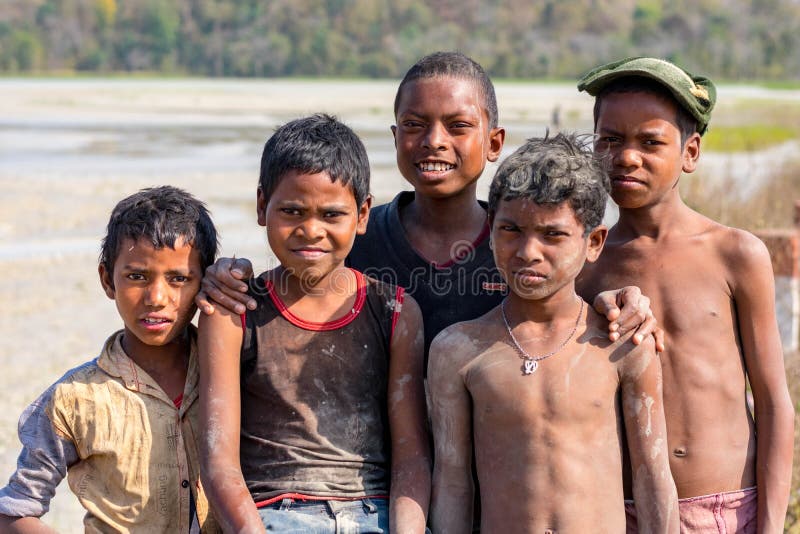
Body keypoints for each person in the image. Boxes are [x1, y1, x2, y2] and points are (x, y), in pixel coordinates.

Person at [196, 51, 660, 367]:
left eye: (458, 126)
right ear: (396, 139)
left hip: (491, 477)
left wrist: (617, 301)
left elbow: (577, 303)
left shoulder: (522, 241)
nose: (434, 141)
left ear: (494, 142)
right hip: (378, 477)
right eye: (415, 125)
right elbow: (292, 283)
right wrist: (228, 276)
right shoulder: (356, 236)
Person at [576, 57, 794, 533]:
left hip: (729, 510)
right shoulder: (584, 264)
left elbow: (774, 401)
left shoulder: (735, 254)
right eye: (609, 140)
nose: (626, 157)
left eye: (651, 141)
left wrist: (772, 524)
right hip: (623, 511)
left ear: (690, 152)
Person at [429, 133, 678, 533]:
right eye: (511, 230)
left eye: (552, 235)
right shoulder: (458, 350)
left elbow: (652, 476)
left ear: (594, 241)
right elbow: (453, 482)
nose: (528, 251)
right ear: (491, 230)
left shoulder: (621, 344)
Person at [197, 114, 430, 533]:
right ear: (261, 206)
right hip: (273, 514)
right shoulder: (234, 310)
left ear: (361, 216)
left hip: (374, 512)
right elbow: (219, 463)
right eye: (292, 210)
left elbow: (411, 456)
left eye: (331, 214)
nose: (310, 230)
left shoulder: (394, 310)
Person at [0, 186, 220, 533]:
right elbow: (14, 511)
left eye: (179, 279)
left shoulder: (231, 374)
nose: (157, 298)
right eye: (137, 277)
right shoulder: (74, 399)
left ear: (205, 282)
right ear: (107, 280)